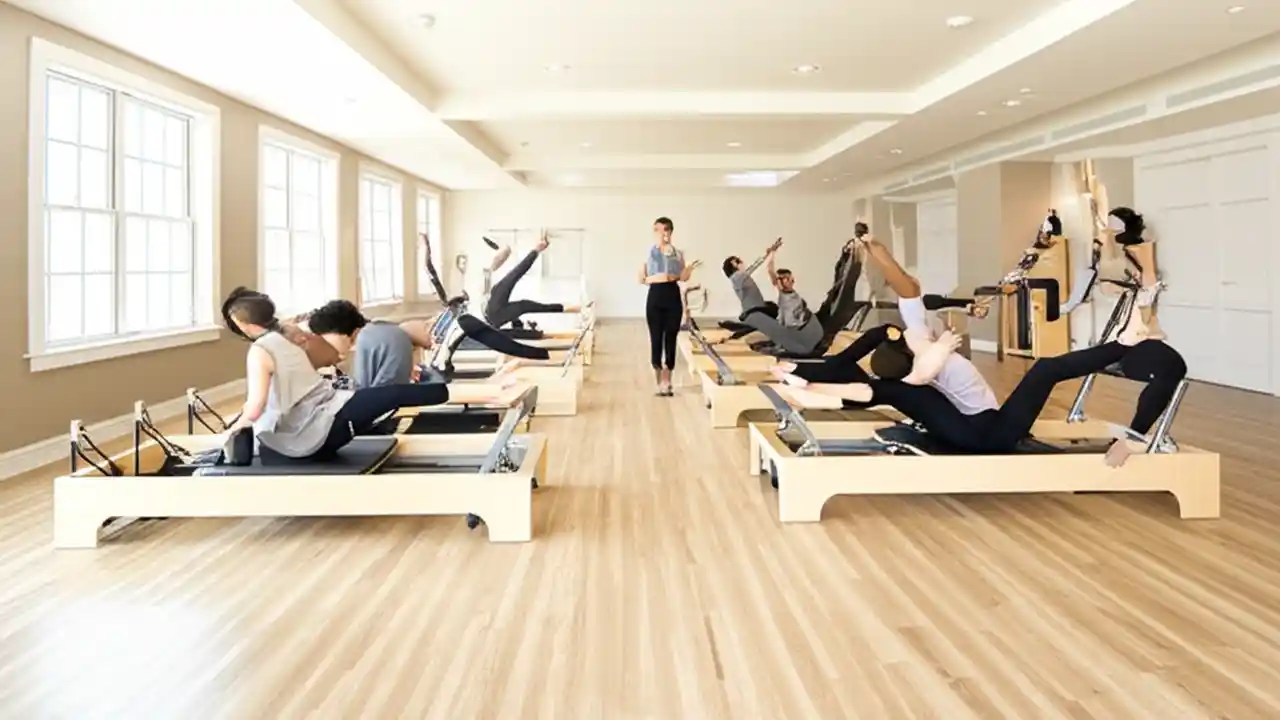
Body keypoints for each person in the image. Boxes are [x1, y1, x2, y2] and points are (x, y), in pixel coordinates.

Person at [779, 296, 1159, 465]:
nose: (914, 334)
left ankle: (1124, 342)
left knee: (1045, 370)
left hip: (978, 429)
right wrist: (942, 346)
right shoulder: (917, 376)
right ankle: (1125, 343)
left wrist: (806, 386)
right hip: (990, 435)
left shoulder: (902, 386)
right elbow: (909, 373)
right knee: (1045, 369)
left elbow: (858, 392)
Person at [219, 287, 488, 462]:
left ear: (244, 324)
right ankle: (491, 391)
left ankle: (492, 391)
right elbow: (329, 357)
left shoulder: (261, 349)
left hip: (313, 433)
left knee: (391, 395)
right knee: (390, 395)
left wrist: (233, 427)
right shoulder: (291, 336)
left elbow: (255, 409)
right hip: (328, 417)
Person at [305, 299, 520, 388]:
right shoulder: (380, 332)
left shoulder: (369, 339)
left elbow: (368, 393)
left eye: (324, 338)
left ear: (342, 333)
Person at [641, 216, 700, 396]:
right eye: (657, 230)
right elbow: (643, 278)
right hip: (655, 298)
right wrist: (662, 277)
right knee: (656, 339)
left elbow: (682, 277)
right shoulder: (650, 253)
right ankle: (658, 379)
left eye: (664, 230)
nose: (661, 234)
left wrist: (688, 269)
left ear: (670, 232)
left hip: (672, 297)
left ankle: (668, 379)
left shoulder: (678, 253)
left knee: (671, 338)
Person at [482, 229, 585, 330]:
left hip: (492, 312)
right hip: (492, 315)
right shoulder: (491, 275)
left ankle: (568, 307)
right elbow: (516, 272)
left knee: (523, 303)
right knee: (524, 303)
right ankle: (569, 307)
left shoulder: (492, 282)